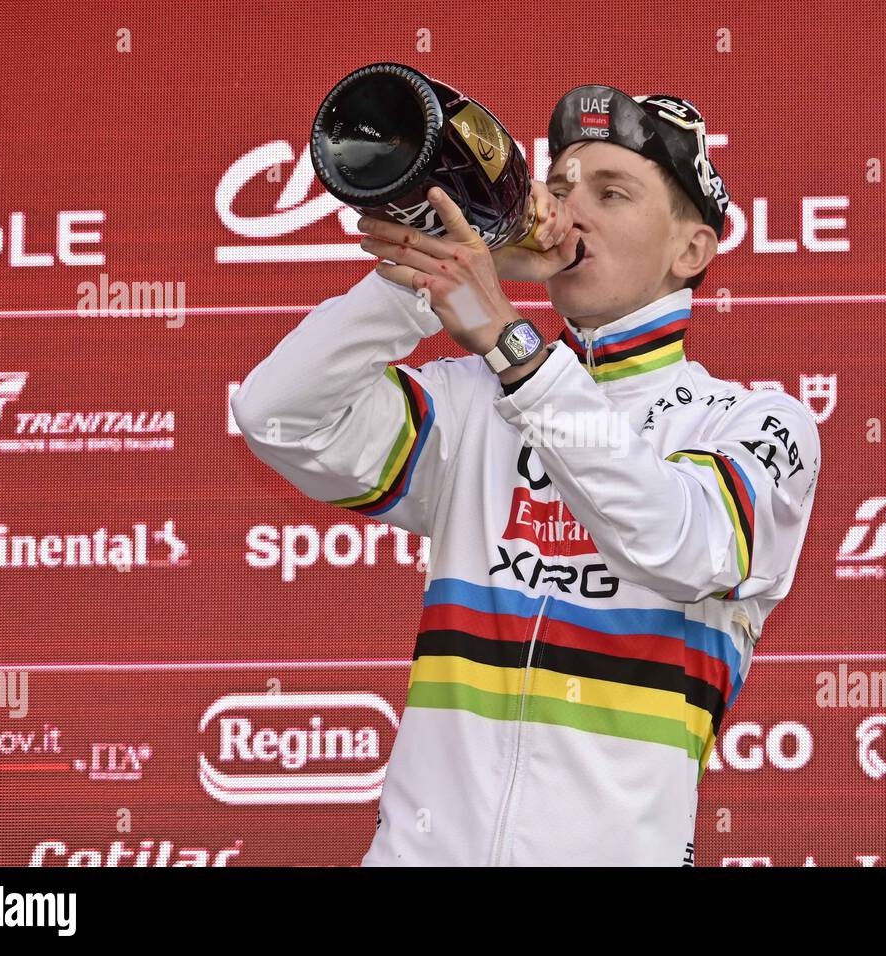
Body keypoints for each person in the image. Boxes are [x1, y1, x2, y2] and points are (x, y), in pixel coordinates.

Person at [231, 84, 821, 866]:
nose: (573, 209)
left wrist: (513, 348)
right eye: (564, 185)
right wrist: (422, 279)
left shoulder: (751, 423)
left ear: (691, 251)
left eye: (613, 192)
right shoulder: (478, 398)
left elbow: (677, 544)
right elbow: (277, 414)